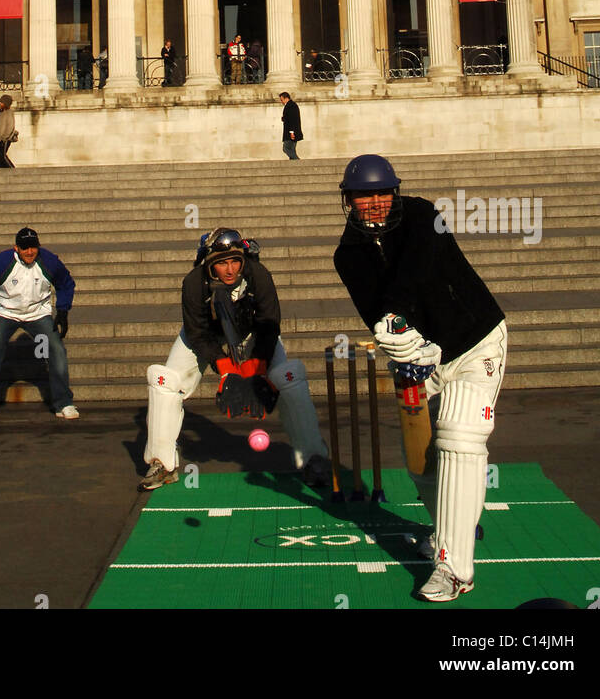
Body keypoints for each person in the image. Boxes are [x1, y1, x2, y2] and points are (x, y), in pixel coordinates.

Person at [332, 154, 507, 603]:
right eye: (363, 196)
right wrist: (404, 347)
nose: (373, 203)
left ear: (394, 191)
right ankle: (449, 525)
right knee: (422, 459)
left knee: (459, 435)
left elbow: (413, 274)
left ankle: (453, 569)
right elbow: (376, 315)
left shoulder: (423, 215)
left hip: (474, 340)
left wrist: (395, 321)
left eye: (381, 193)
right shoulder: (347, 255)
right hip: (419, 356)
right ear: (348, 200)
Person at [139, 227, 329, 490]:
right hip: (208, 337)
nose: (230, 270)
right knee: (164, 381)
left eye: (235, 261)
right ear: (210, 264)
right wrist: (225, 367)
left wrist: (258, 365)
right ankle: (162, 463)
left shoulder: (258, 275)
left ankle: (313, 458)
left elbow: (270, 323)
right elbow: (197, 332)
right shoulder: (194, 283)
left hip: (253, 333)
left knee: (290, 377)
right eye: (222, 264)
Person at [0, 227, 78, 423]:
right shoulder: (1, 262)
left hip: (38, 313)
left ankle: (63, 403)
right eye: (24, 248)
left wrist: (63, 311)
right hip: (5, 312)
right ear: (16, 248)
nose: (29, 252)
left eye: (33, 248)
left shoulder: (49, 261)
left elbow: (65, 283)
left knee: (56, 350)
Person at [279, 91, 303, 159]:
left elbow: (292, 119)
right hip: (293, 132)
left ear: (286, 98)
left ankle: (298, 161)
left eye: (282, 100)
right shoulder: (292, 105)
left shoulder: (290, 106)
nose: (282, 102)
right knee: (292, 150)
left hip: (291, 133)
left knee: (286, 148)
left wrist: (292, 132)